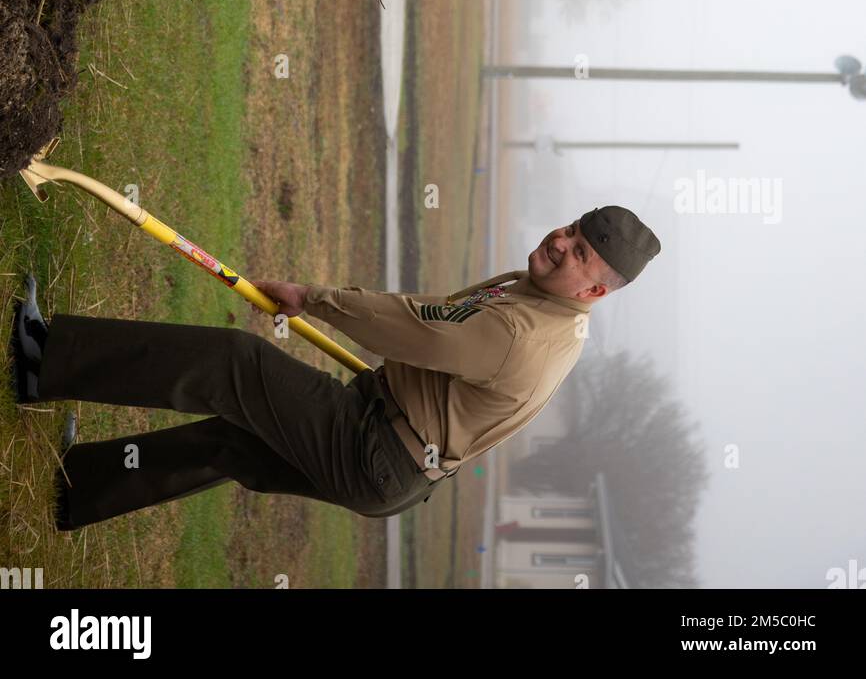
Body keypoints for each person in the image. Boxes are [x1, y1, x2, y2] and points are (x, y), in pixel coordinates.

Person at [10, 205, 660, 531]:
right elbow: (433, 313)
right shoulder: (537, 292)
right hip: (390, 452)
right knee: (233, 444)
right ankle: (81, 487)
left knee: (235, 363)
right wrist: (336, 305)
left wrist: (314, 301)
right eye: (570, 230)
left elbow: (418, 334)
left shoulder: (524, 333)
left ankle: (45, 362)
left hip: (378, 452)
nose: (559, 244)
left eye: (577, 252)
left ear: (595, 291)